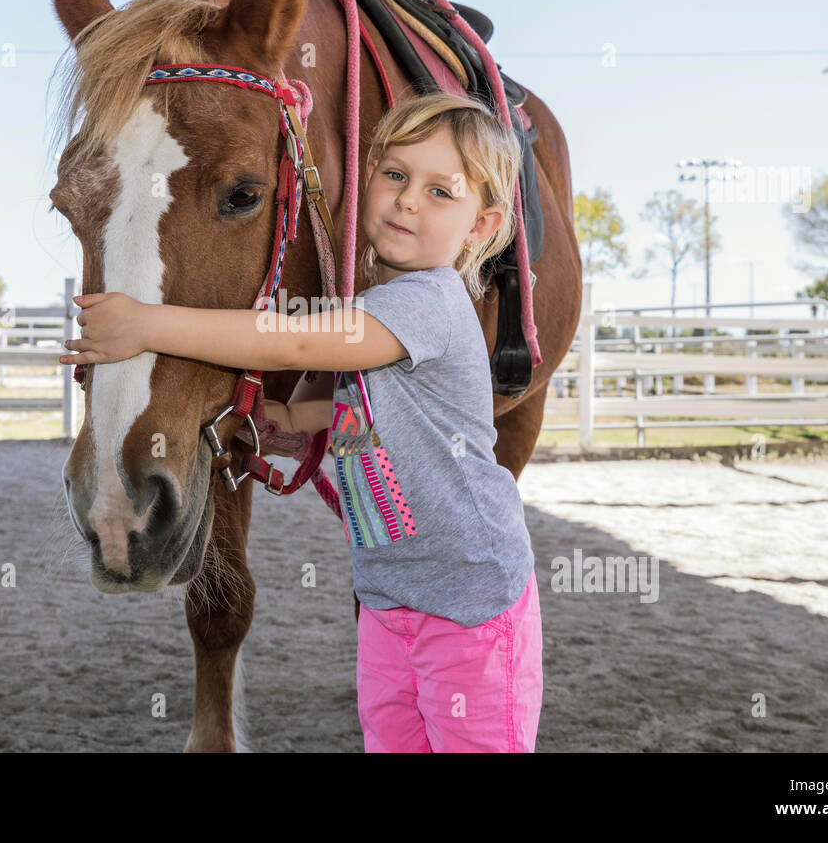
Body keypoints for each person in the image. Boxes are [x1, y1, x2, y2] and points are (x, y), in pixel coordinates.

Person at [59, 91, 542, 752]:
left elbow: (293, 344)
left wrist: (144, 323)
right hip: (390, 596)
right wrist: (286, 419)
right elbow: (365, 404)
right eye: (395, 175)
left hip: (468, 601)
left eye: (440, 191)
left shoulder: (432, 302)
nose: (407, 200)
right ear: (366, 182)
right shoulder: (385, 302)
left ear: (482, 226)